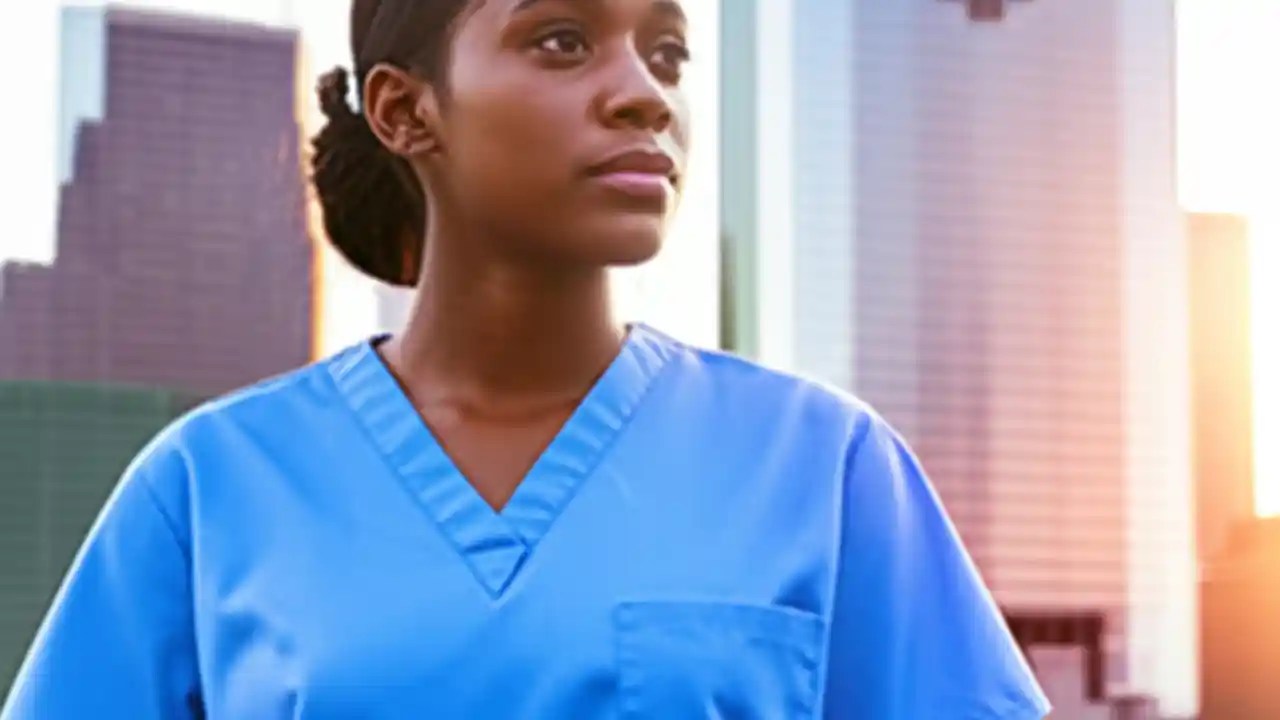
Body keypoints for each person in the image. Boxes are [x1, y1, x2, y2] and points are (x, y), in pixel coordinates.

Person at [1, 0, 1050, 718]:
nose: (645, 94)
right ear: (405, 110)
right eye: (559, 39)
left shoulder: (825, 467)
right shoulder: (208, 487)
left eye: (667, 54)